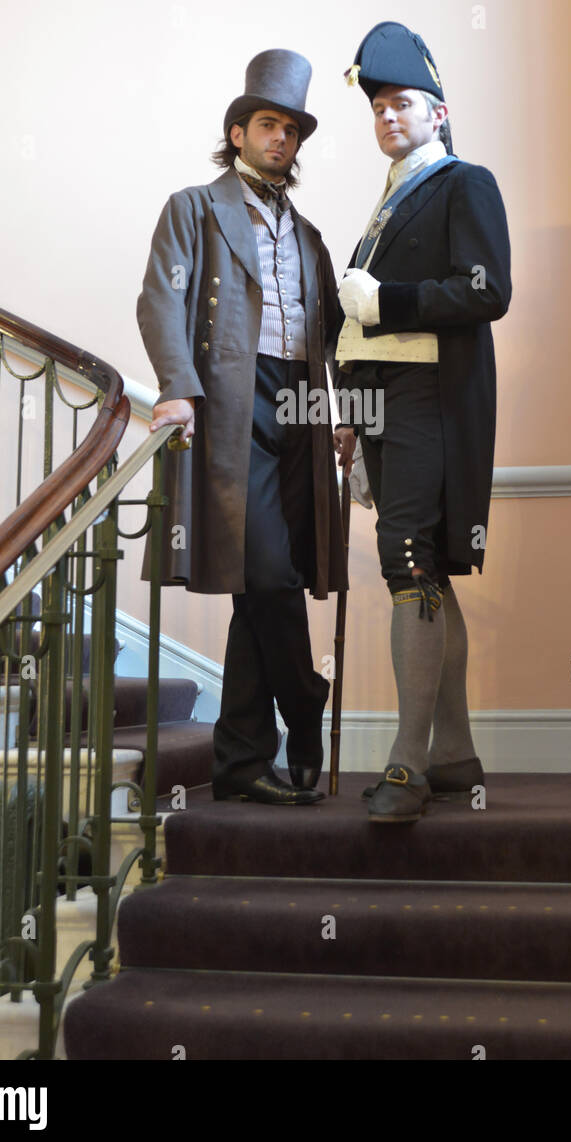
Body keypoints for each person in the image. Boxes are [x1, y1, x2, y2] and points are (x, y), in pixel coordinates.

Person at [136, 49, 347, 805]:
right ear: (237, 132)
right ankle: (304, 696)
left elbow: (329, 337)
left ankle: (240, 761)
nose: (280, 139)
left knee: (268, 580)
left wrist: (341, 417)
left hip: (300, 400)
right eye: (267, 125)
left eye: (291, 130)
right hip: (229, 397)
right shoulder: (195, 206)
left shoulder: (310, 233)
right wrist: (176, 389)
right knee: (263, 568)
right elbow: (160, 297)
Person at [332, 21, 511, 822]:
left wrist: (390, 301)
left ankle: (404, 763)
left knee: (408, 564)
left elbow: (485, 291)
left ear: (438, 112)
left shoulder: (463, 182)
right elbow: (357, 328)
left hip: (430, 400)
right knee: (427, 566)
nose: (387, 118)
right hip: (386, 402)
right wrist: (348, 410)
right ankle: (452, 753)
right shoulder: (390, 200)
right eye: (377, 109)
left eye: (402, 104)